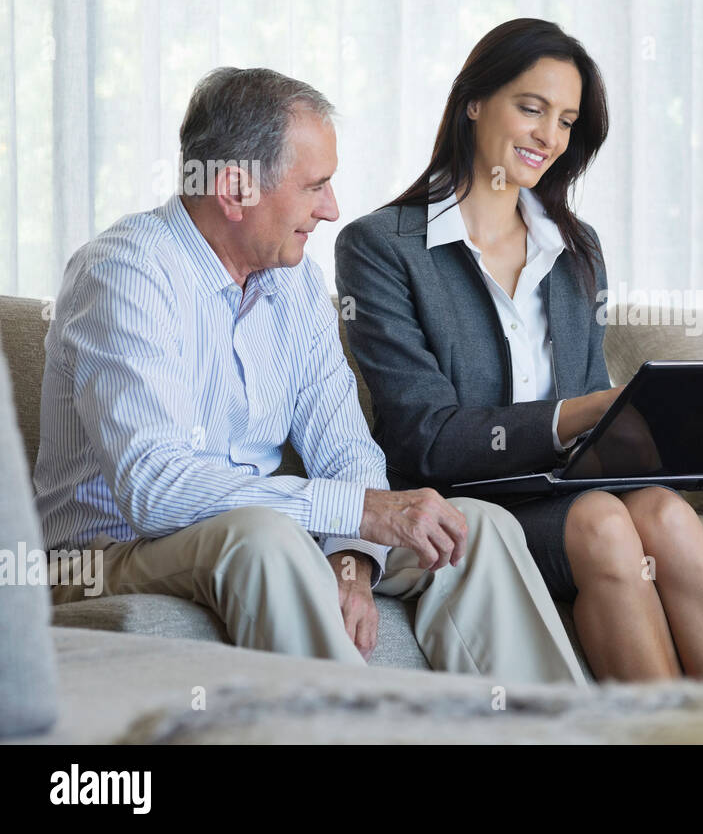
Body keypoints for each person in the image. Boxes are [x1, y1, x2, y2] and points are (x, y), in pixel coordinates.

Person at [34, 66, 585, 684]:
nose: (332, 209)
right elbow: (155, 490)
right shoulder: (125, 273)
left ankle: (550, 725)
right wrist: (357, 511)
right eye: (314, 186)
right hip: (104, 556)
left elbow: (345, 447)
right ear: (235, 189)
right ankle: (339, 724)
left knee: (474, 529)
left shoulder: (293, 281)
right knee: (263, 537)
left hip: (255, 533)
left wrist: (354, 556)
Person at [335, 19, 703, 681]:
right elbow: (422, 437)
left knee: (667, 513)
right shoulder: (382, 246)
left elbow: (594, 412)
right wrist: (587, 410)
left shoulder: (576, 246)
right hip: (463, 501)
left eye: (567, 121)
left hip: (562, 487)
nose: (550, 136)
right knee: (602, 523)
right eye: (532, 108)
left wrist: (663, 432)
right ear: (473, 102)